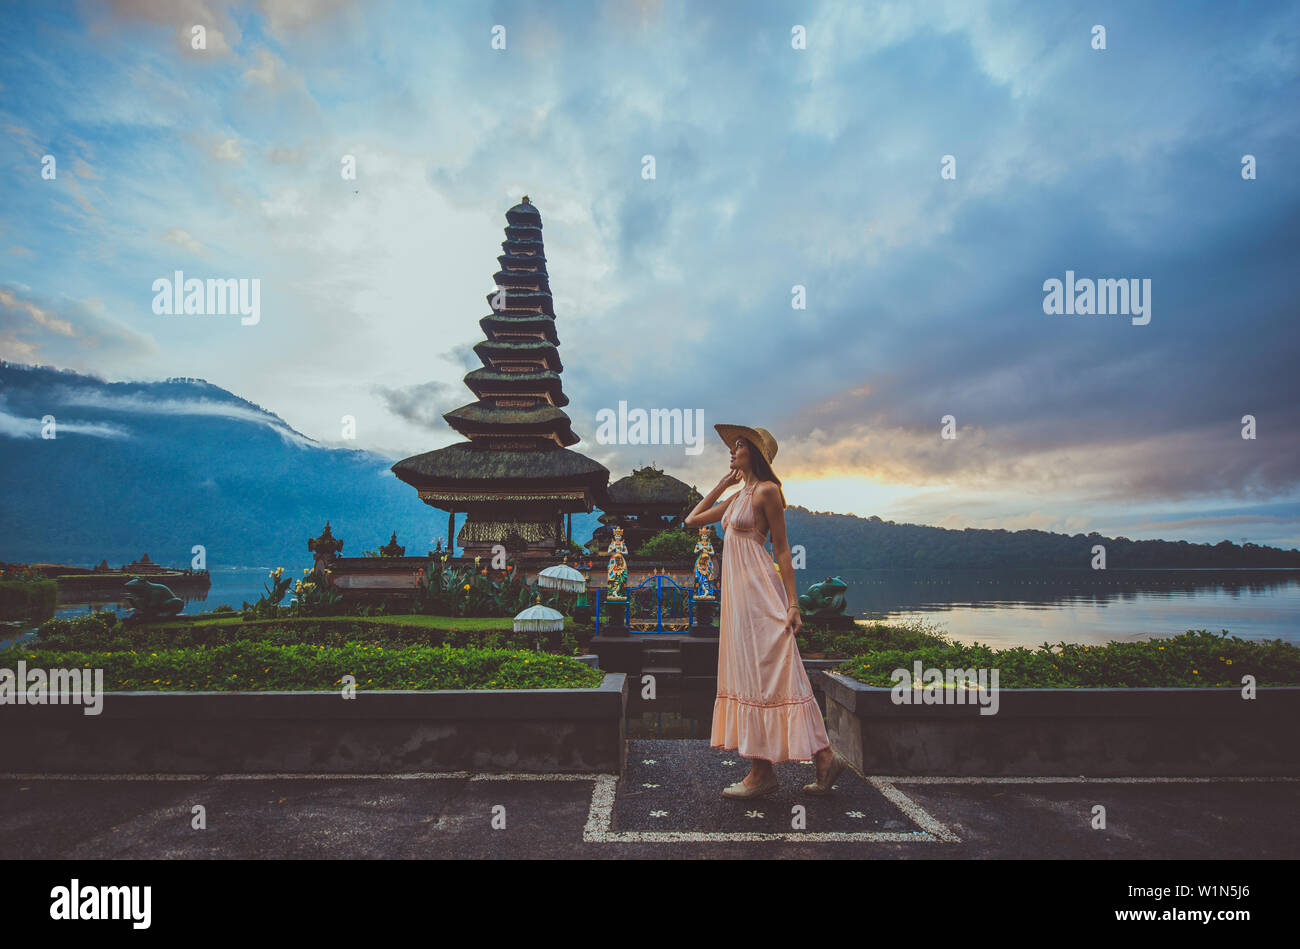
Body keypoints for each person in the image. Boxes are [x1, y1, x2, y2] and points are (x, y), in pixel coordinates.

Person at [684, 423, 847, 799]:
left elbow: (783, 551)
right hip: (739, 600)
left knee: (775, 671)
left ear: (754, 453)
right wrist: (723, 484)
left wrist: (793, 604)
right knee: (749, 674)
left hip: (762, 594)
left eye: (739, 446)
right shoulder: (737, 497)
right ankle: (816, 760)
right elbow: (692, 520)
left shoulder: (768, 492)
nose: (732, 450)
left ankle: (768, 771)